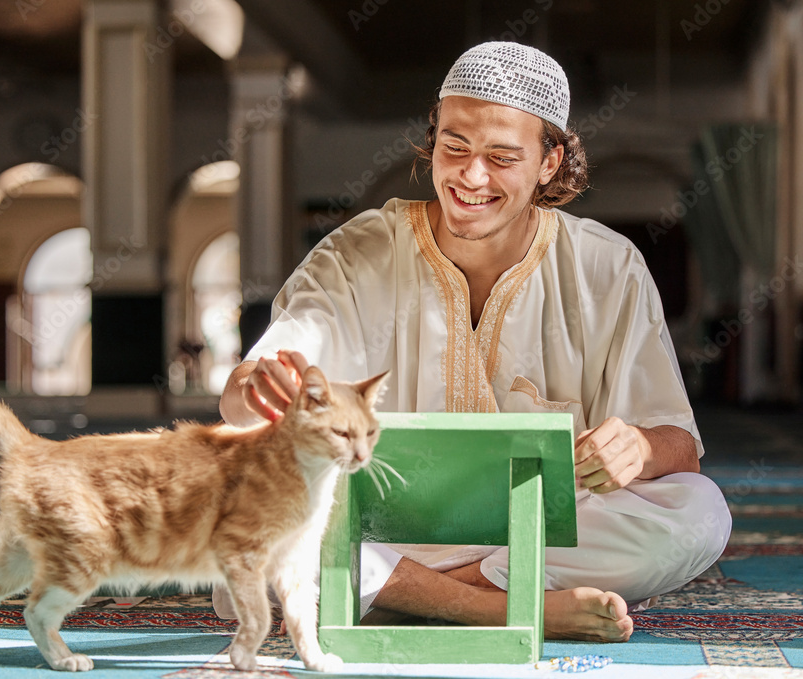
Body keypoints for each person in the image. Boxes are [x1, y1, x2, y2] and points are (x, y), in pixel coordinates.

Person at [216, 41, 731, 642]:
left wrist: (638, 448)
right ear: (432, 141)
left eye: (502, 156)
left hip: (532, 532)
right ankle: (505, 609)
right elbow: (243, 396)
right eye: (453, 147)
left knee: (699, 510)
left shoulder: (607, 267)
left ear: (549, 161)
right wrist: (259, 389)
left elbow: (679, 450)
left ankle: (403, 596)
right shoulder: (357, 253)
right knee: (246, 495)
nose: (471, 176)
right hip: (377, 524)